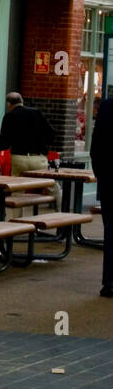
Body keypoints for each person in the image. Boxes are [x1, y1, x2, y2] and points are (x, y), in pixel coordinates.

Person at [88, 96, 113, 297]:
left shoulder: (107, 106)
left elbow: (96, 146)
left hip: (109, 180)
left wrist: (101, 174)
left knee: (111, 231)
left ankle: (110, 282)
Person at [0, 92, 56, 175]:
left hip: (19, 158)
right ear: (22, 101)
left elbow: (4, 142)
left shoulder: (9, 116)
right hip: (38, 159)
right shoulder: (37, 113)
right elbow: (51, 133)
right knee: (43, 185)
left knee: (18, 186)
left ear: (8, 104)